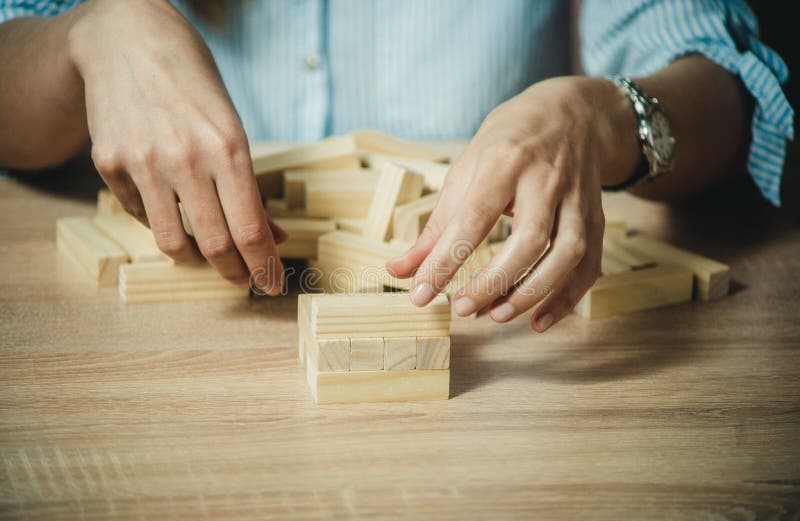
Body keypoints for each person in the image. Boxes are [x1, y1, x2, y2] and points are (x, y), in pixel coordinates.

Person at [0, 0, 793, 332]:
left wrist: (603, 114)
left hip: (494, 360)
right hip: (199, 338)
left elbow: (726, 87)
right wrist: (86, 32)